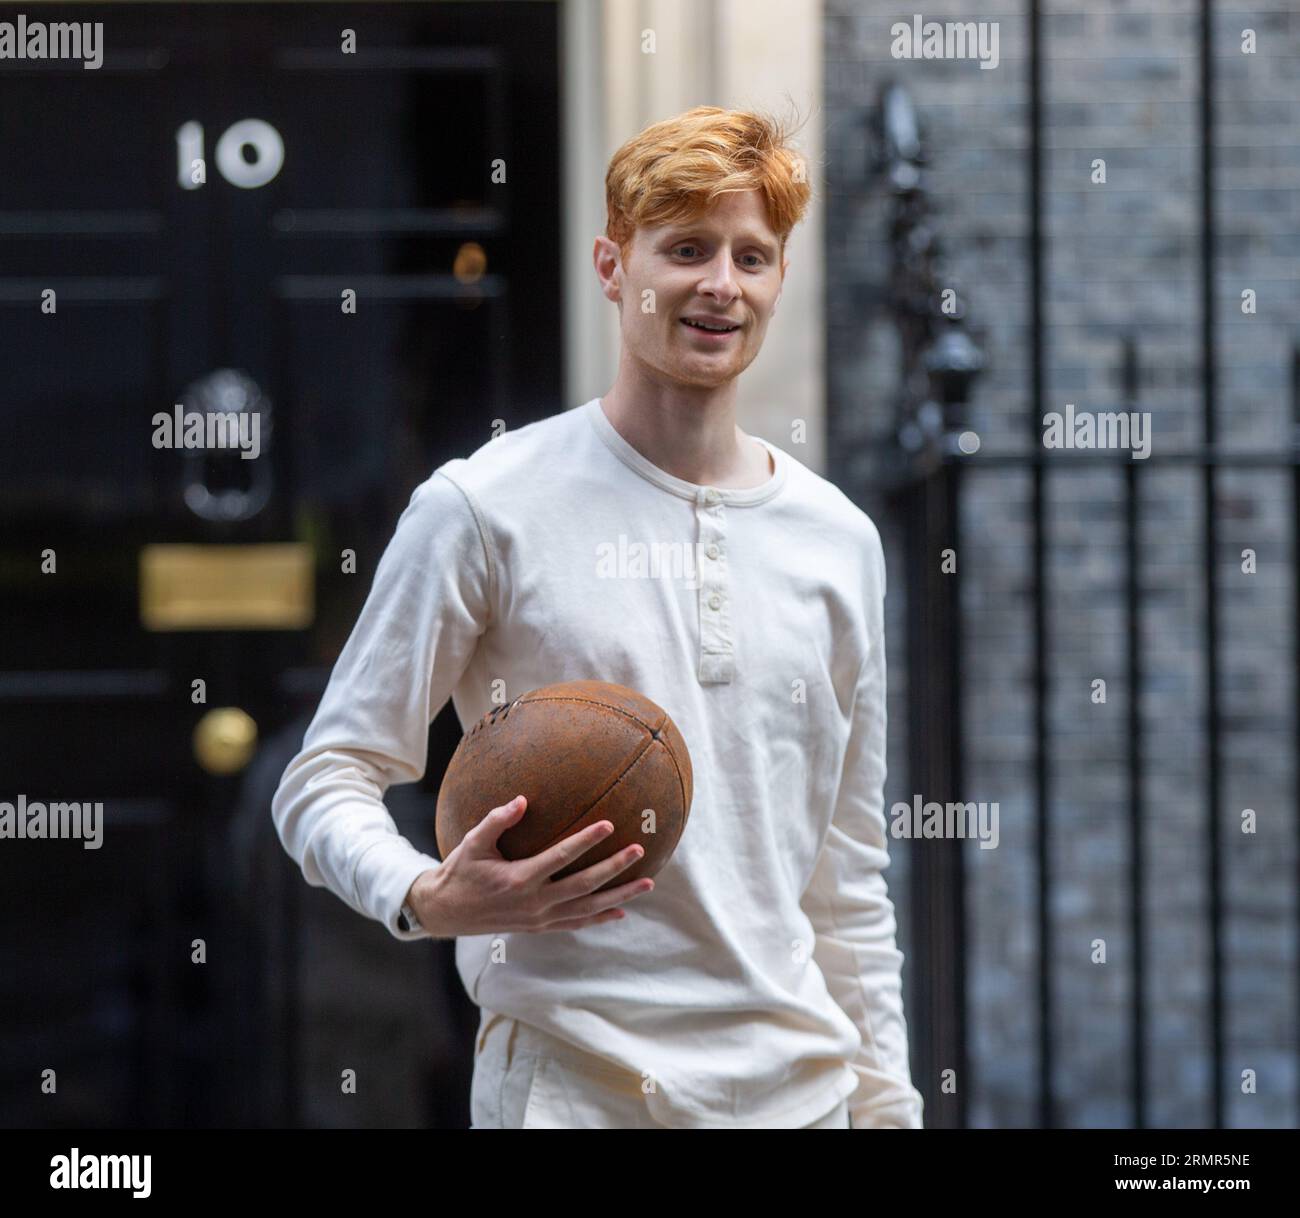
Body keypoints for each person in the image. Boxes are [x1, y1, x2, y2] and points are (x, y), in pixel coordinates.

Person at [271, 104, 924, 1130]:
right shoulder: (485, 506)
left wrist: (887, 1110)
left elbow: (846, 877)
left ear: (779, 280)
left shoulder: (838, 541)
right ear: (613, 264)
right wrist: (426, 894)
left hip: (802, 1098)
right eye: (686, 249)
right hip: (573, 1092)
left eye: (752, 257)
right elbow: (326, 776)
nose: (720, 285)